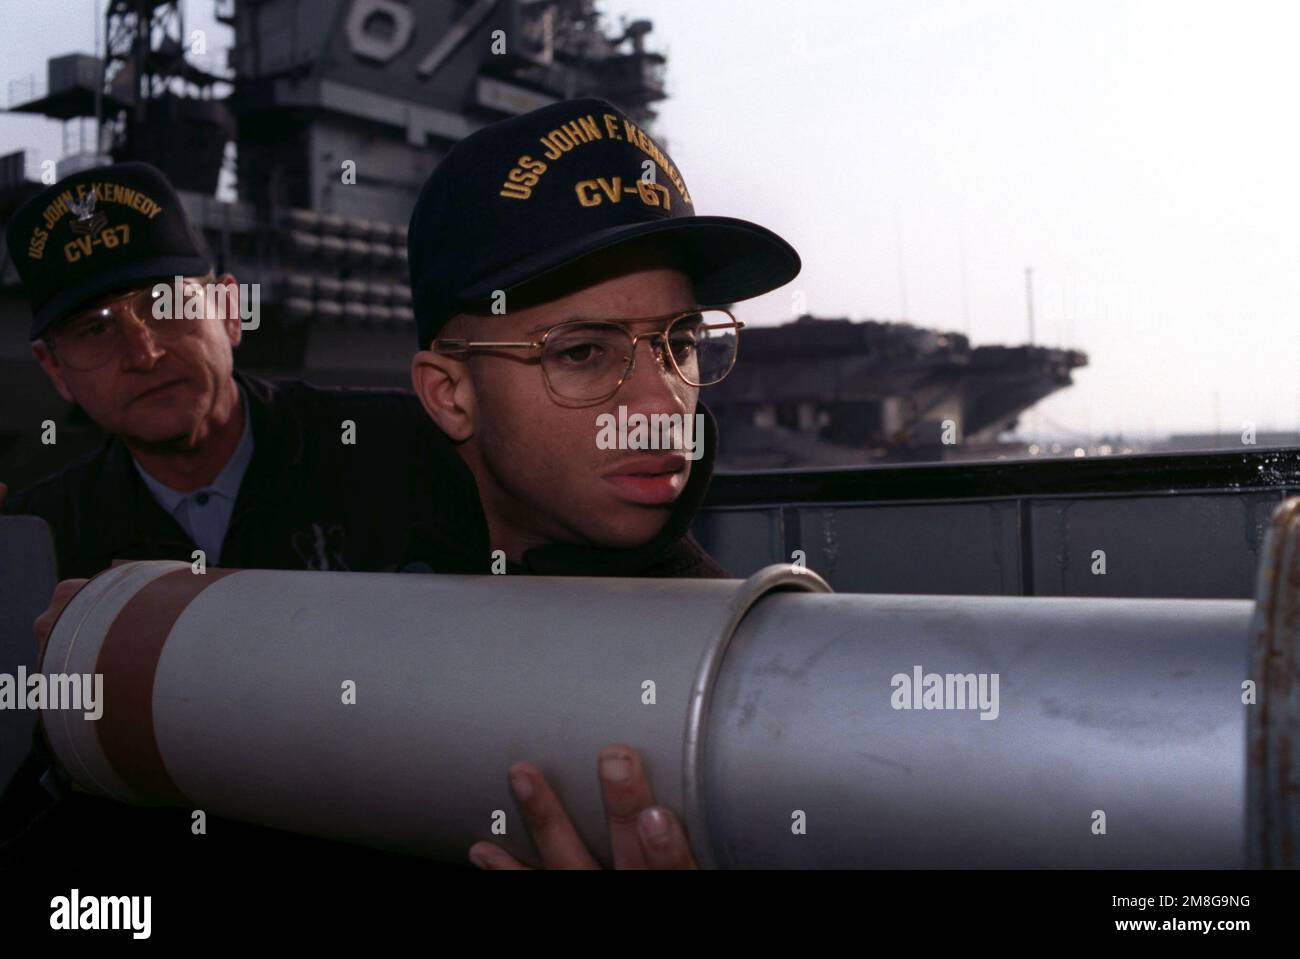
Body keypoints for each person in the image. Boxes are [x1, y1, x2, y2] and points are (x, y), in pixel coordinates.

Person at [402, 97, 803, 868]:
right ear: (450, 393)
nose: (662, 407)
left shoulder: (758, 681)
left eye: (681, 341)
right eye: (583, 352)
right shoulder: (326, 539)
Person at [0, 160, 487, 579]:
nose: (142, 354)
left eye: (165, 305)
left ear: (229, 310)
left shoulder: (414, 451)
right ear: (56, 371)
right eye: (93, 331)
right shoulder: (35, 537)